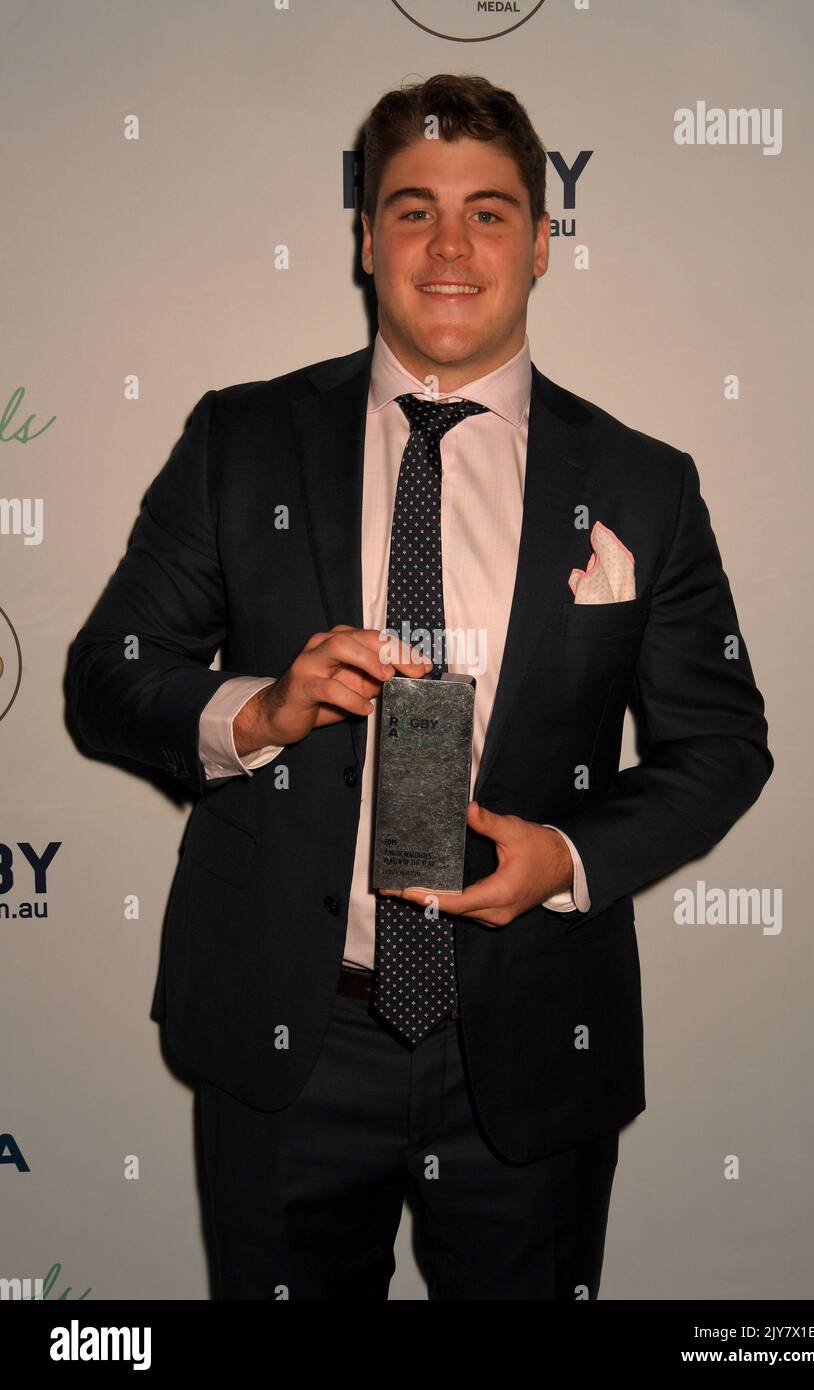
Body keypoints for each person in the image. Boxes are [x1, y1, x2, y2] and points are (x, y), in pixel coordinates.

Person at [67, 73, 773, 1300]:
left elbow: (720, 743)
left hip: (530, 1041)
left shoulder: (644, 482)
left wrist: (563, 857)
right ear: (364, 236)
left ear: (543, 243)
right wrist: (262, 712)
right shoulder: (242, 442)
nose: (450, 247)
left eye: (489, 212)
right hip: (289, 1040)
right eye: (412, 209)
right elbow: (103, 682)